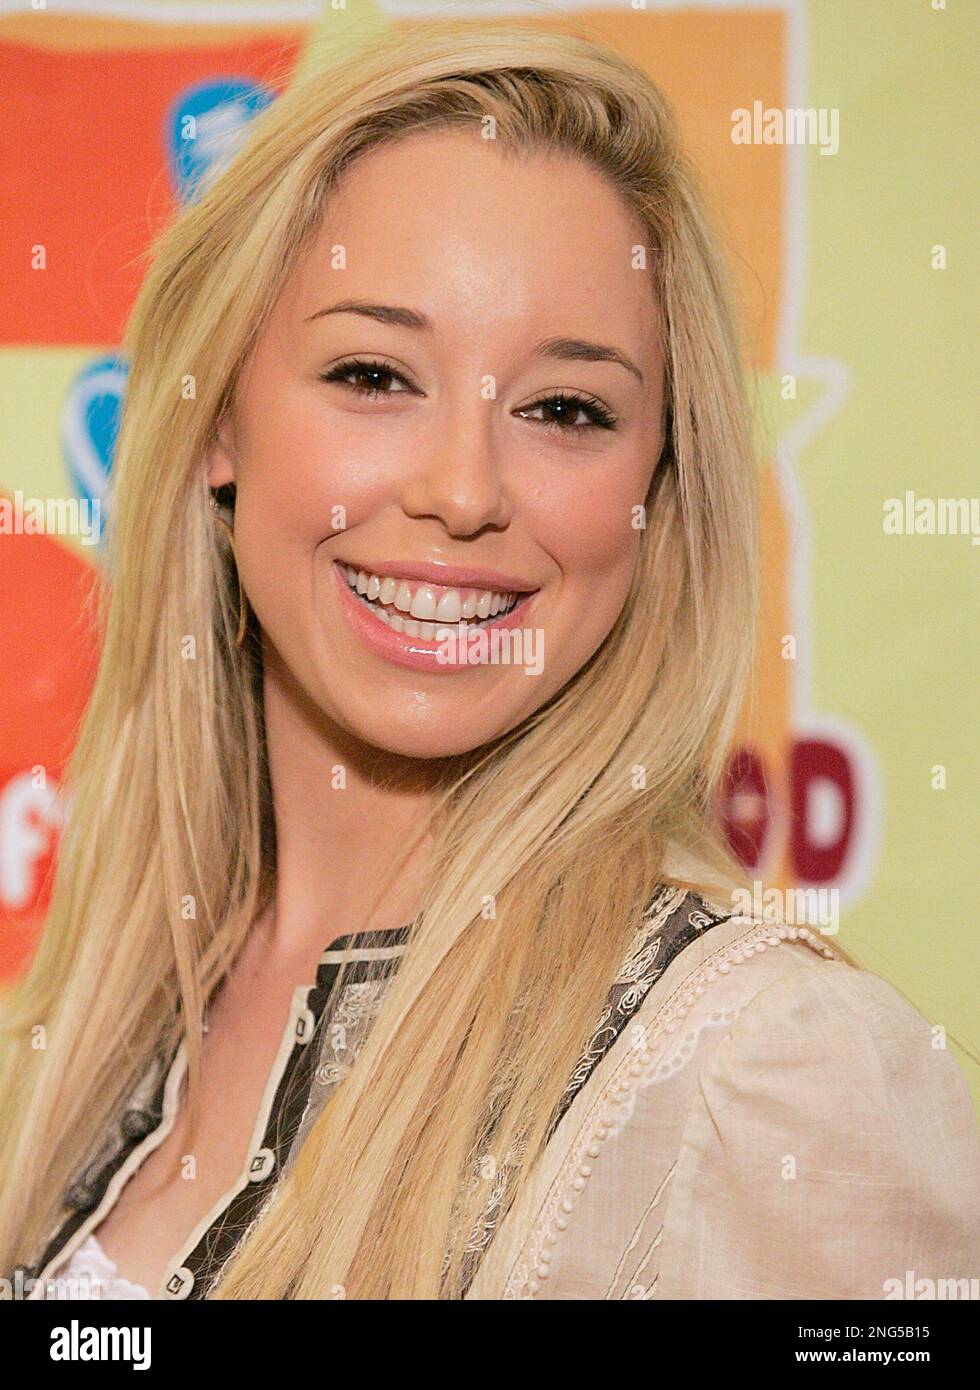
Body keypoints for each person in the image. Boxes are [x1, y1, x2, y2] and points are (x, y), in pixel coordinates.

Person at [0, 22, 976, 1302]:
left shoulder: (768, 1075)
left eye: (564, 409)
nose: (463, 491)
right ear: (219, 419)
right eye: (373, 374)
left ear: (657, 489)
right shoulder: (100, 1016)